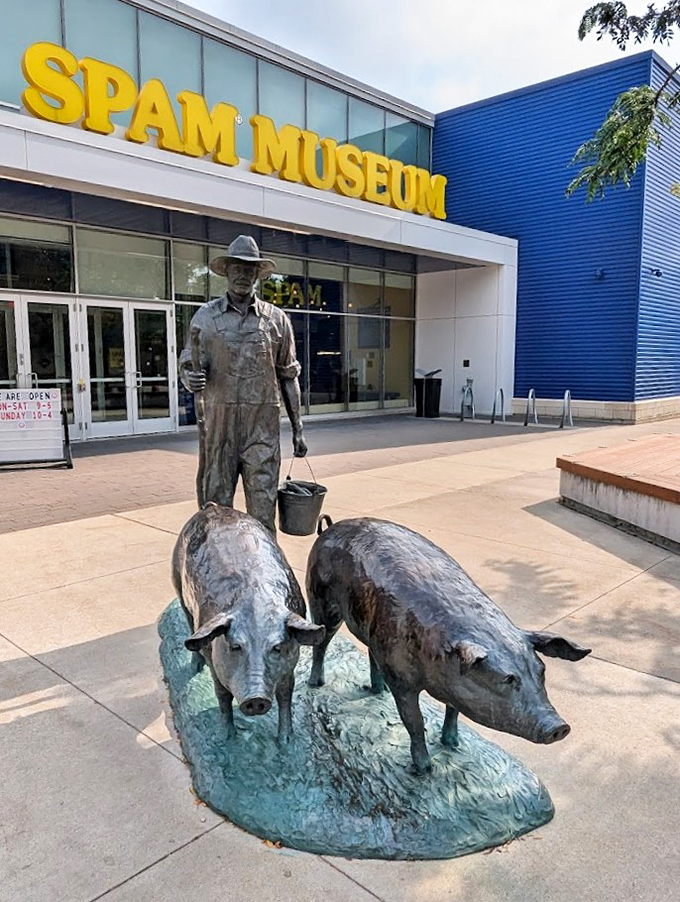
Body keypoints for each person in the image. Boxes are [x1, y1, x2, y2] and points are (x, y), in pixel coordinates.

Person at [179, 235, 307, 533]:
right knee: (215, 513)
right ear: (227, 272)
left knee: (263, 513)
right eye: (236, 267)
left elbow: (289, 376)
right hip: (219, 429)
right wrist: (189, 376)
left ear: (256, 275)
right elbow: (189, 360)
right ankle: (218, 572)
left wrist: (298, 429)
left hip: (261, 431)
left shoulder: (276, 320)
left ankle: (266, 575)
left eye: (249, 269)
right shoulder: (206, 317)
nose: (242, 274)